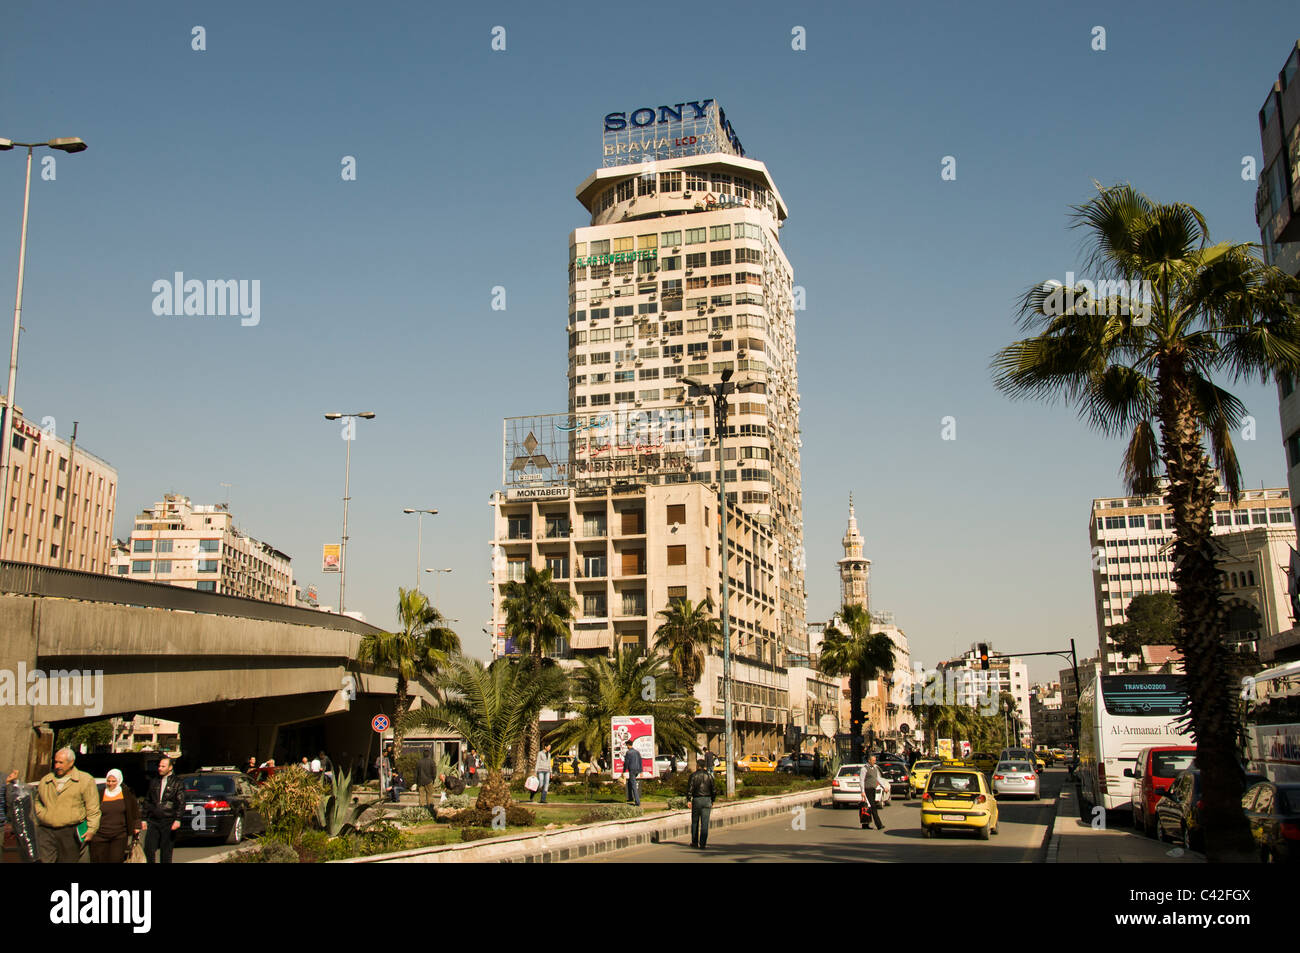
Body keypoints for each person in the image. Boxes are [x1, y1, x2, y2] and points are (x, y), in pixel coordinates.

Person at [34, 747, 101, 863]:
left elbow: (93, 807)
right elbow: (37, 801)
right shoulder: (46, 780)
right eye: (56, 762)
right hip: (46, 830)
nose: (57, 766)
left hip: (70, 831)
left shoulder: (84, 780)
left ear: (71, 763)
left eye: (61, 762)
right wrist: (42, 815)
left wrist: (91, 829)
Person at [90, 769, 141, 864]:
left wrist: (137, 825)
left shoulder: (126, 794)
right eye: (108, 781)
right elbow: (91, 811)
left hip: (119, 835)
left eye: (113, 781)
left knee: (116, 859)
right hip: (99, 835)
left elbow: (135, 810)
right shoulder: (100, 794)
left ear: (119, 781)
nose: (110, 783)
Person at [142, 757, 185, 863]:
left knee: (166, 851)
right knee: (149, 849)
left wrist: (178, 819)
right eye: (159, 766)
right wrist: (143, 818)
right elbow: (148, 800)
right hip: (153, 820)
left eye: (163, 766)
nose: (160, 768)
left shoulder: (177, 782)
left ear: (170, 768)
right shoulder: (154, 781)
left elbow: (181, 802)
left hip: (169, 820)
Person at [687, 758, 717, 849]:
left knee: (695, 822)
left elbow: (690, 789)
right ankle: (703, 843)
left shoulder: (693, 776)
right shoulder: (709, 776)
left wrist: (688, 800)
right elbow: (714, 790)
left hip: (696, 800)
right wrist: (712, 800)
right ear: (704, 766)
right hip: (707, 800)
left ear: (697, 766)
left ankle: (694, 842)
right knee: (705, 823)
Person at [859, 755, 885, 831]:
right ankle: (879, 825)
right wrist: (862, 791)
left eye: (875, 760)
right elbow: (861, 781)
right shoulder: (864, 769)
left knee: (868, 807)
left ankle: (865, 824)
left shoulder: (875, 768)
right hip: (867, 790)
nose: (875, 761)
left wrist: (883, 786)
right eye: (873, 760)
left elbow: (877, 778)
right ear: (869, 760)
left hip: (873, 790)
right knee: (873, 807)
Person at [416, 749, 438, 814]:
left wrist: (416, 782)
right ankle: (430, 809)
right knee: (429, 795)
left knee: (421, 795)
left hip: (420, 781)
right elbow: (434, 772)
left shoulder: (419, 762)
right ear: (429, 754)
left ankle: (421, 810)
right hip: (429, 780)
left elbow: (416, 773)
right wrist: (433, 779)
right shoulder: (432, 762)